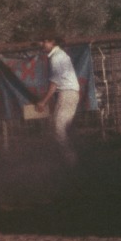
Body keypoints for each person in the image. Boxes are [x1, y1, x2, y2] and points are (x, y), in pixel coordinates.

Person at [36, 34, 82, 166]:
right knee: (59, 127)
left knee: (57, 128)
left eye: (44, 41)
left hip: (67, 93)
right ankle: (70, 159)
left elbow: (55, 82)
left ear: (52, 42)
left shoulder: (56, 57)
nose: (42, 44)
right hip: (68, 93)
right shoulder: (59, 55)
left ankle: (71, 161)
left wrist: (43, 102)